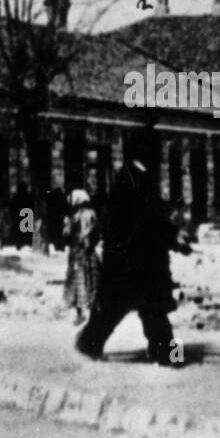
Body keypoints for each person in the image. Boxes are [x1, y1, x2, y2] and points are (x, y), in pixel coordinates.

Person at [76, 128, 181, 365]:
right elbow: (146, 220)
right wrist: (170, 234)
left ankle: (167, 355)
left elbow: (149, 220)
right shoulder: (134, 178)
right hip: (132, 261)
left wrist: (170, 235)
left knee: (150, 312)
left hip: (136, 260)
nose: (158, 155)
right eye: (155, 149)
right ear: (145, 151)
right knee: (120, 310)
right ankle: (88, 344)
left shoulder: (134, 175)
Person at [62, 189, 100, 326]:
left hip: (77, 252)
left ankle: (80, 312)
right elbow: (96, 234)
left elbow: (66, 235)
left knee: (77, 281)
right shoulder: (92, 214)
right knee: (91, 280)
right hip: (89, 253)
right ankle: (91, 312)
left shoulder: (74, 216)